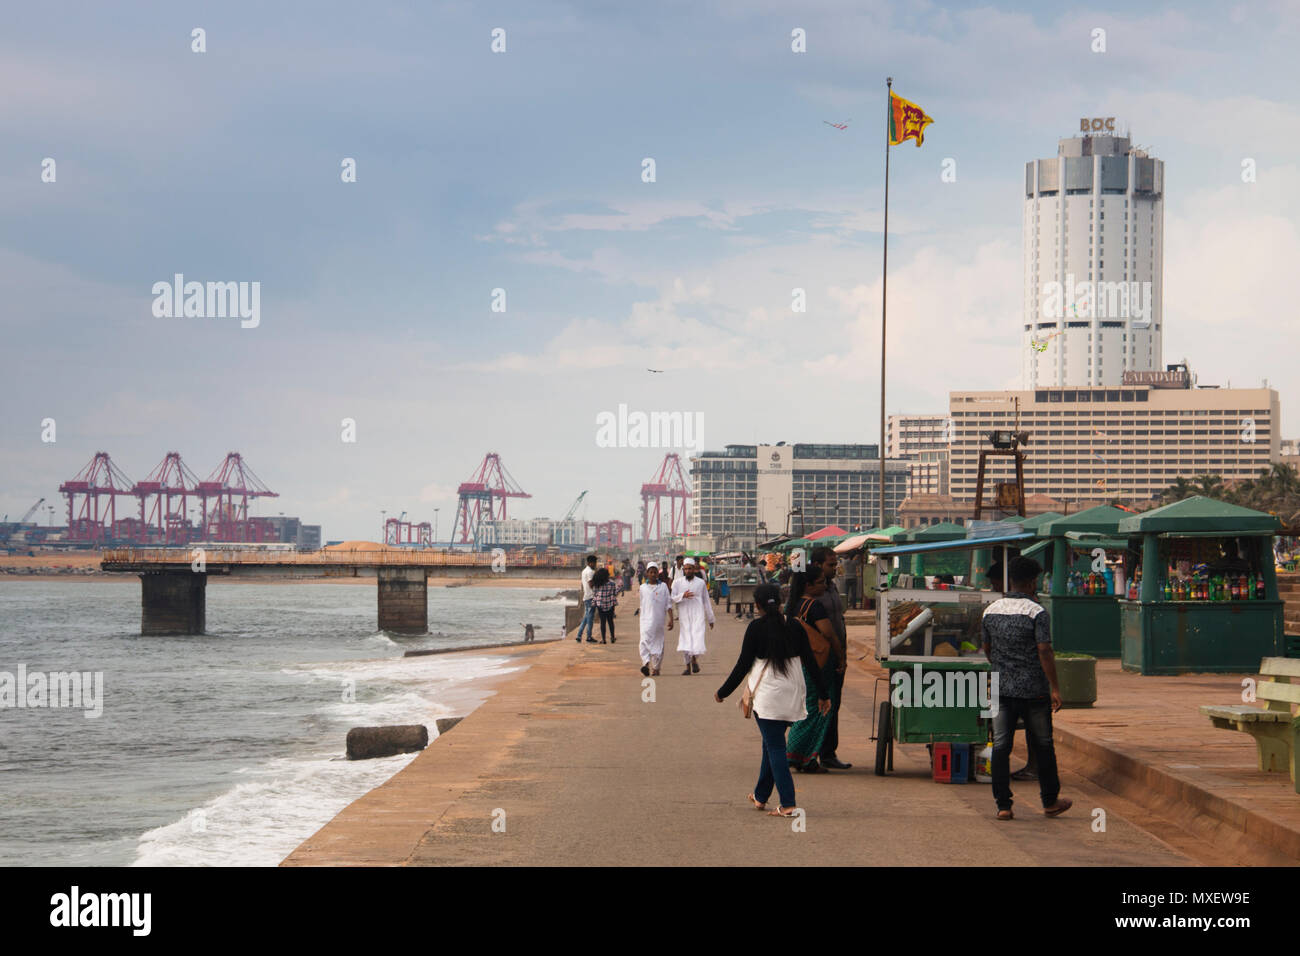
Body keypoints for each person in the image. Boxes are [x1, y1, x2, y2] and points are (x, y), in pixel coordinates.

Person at [715, 583, 831, 817]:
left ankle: (788, 803)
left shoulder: (755, 628)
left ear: (757, 606)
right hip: (793, 693)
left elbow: (742, 665)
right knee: (771, 742)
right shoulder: (795, 626)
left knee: (776, 746)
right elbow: (810, 661)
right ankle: (760, 795)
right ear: (779, 603)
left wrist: (723, 692)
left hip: (768, 696)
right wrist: (823, 694)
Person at [981, 556, 1072, 821]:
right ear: (1032, 582)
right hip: (1034, 690)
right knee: (1043, 745)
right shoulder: (1037, 612)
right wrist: (1055, 687)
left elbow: (987, 648)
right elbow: (1044, 649)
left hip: (1001, 688)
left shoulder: (991, 609)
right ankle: (1050, 801)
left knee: (1001, 746)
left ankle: (1003, 805)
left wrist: (1000, 666)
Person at [784, 565, 845, 773]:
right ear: (808, 585)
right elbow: (829, 634)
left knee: (807, 706)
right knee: (820, 707)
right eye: (820, 582)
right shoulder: (814, 606)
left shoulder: (792, 606)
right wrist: (841, 656)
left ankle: (801, 755)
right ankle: (802, 755)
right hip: (819, 662)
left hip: (799, 663)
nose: (824, 585)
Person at [810, 547, 851, 770]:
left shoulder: (832, 587)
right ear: (817, 565)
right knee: (818, 705)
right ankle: (810, 753)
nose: (834, 568)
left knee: (834, 705)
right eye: (830, 565)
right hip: (820, 657)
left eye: (835, 564)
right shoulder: (812, 591)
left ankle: (828, 752)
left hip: (838, 655)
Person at [671, 557, 714, 674]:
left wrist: (711, 618)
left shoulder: (700, 583)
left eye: (690, 569)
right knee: (686, 640)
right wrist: (682, 596)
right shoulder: (677, 583)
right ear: (683, 570)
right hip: (684, 616)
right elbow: (672, 597)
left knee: (697, 639)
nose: (688, 571)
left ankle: (694, 660)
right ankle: (687, 667)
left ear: (694, 569)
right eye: (686, 569)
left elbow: (706, 601)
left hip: (698, 615)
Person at [637, 563, 673, 676]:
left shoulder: (663, 587)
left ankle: (656, 668)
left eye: (655, 572)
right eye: (650, 572)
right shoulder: (642, 588)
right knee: (644, 642)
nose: (653, 574)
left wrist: (671, 619)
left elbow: (668, 604)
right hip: (645, 621)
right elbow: (642, 604)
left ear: (658, 573)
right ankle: (646, 663)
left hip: (658, 621)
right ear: (647, 573)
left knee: (658, 644)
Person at [591, 566, 622, 644]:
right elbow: (615, 593)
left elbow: (595, 595)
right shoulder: (611, 583)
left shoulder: (597, 584)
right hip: (610, 605)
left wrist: (593, 604)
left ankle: (603, 639)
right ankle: (612, 637)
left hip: (600, 605)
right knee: (610, 622)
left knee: (603, 622)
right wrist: (620, 588)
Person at [578, 554, 598, 643]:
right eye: (595, 563)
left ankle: (579, 635)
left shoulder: (584, 571)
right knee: (590, 618)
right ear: (591, 563)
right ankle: (589, 637)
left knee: (586, 616)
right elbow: (591, 584)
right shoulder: (590, 572)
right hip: (591, 596)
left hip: (586, 596)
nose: (596, 564)